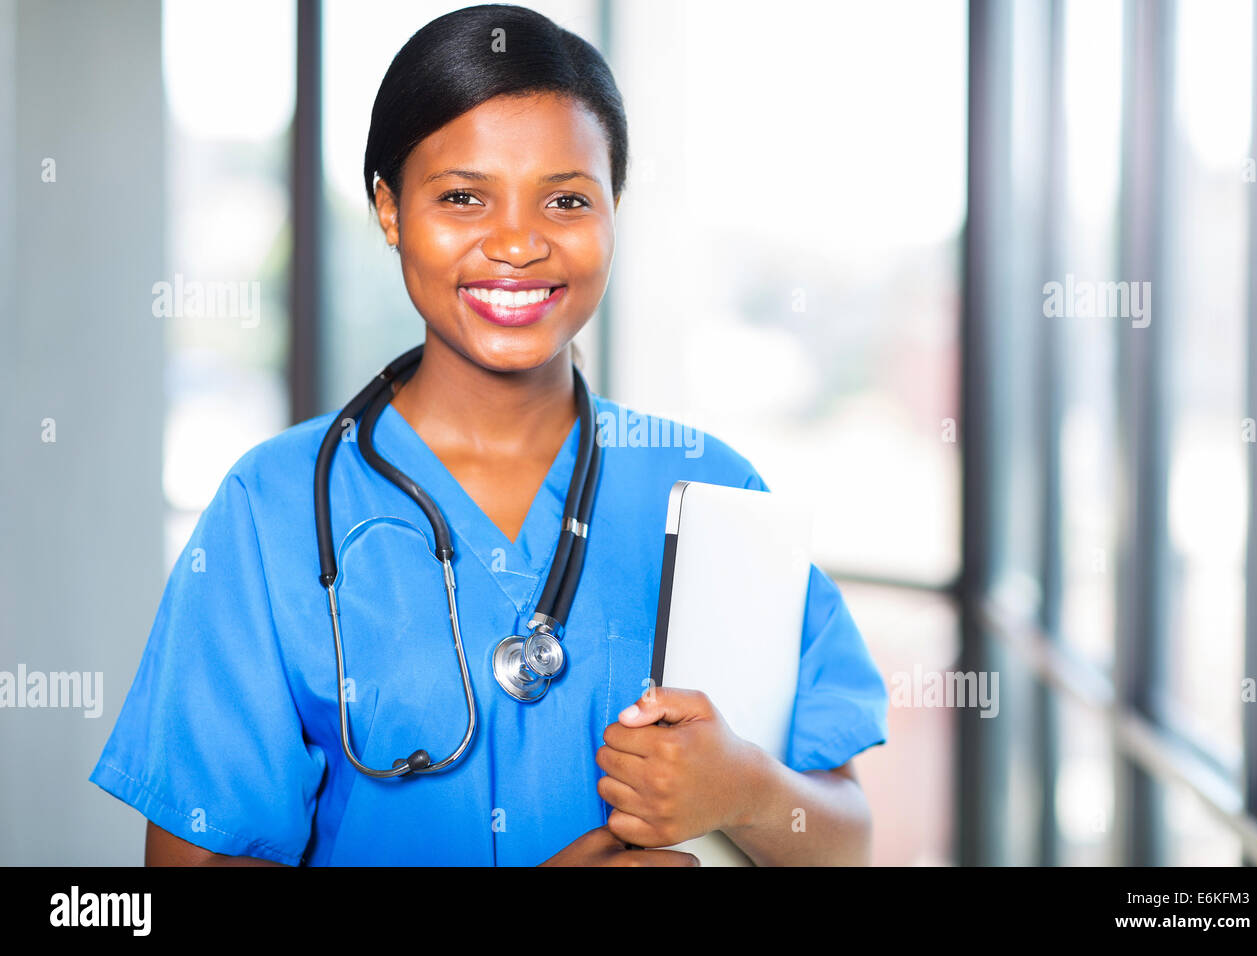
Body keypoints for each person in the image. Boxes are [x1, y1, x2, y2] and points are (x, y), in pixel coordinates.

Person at [89, 3, 888, 867]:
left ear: (615, 211)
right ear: (390, 212)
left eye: (567, 199)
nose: (517, 243)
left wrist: (748, 791)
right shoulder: (272, 505)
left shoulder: (712, 489)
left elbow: (844, 837)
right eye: (463, 197)